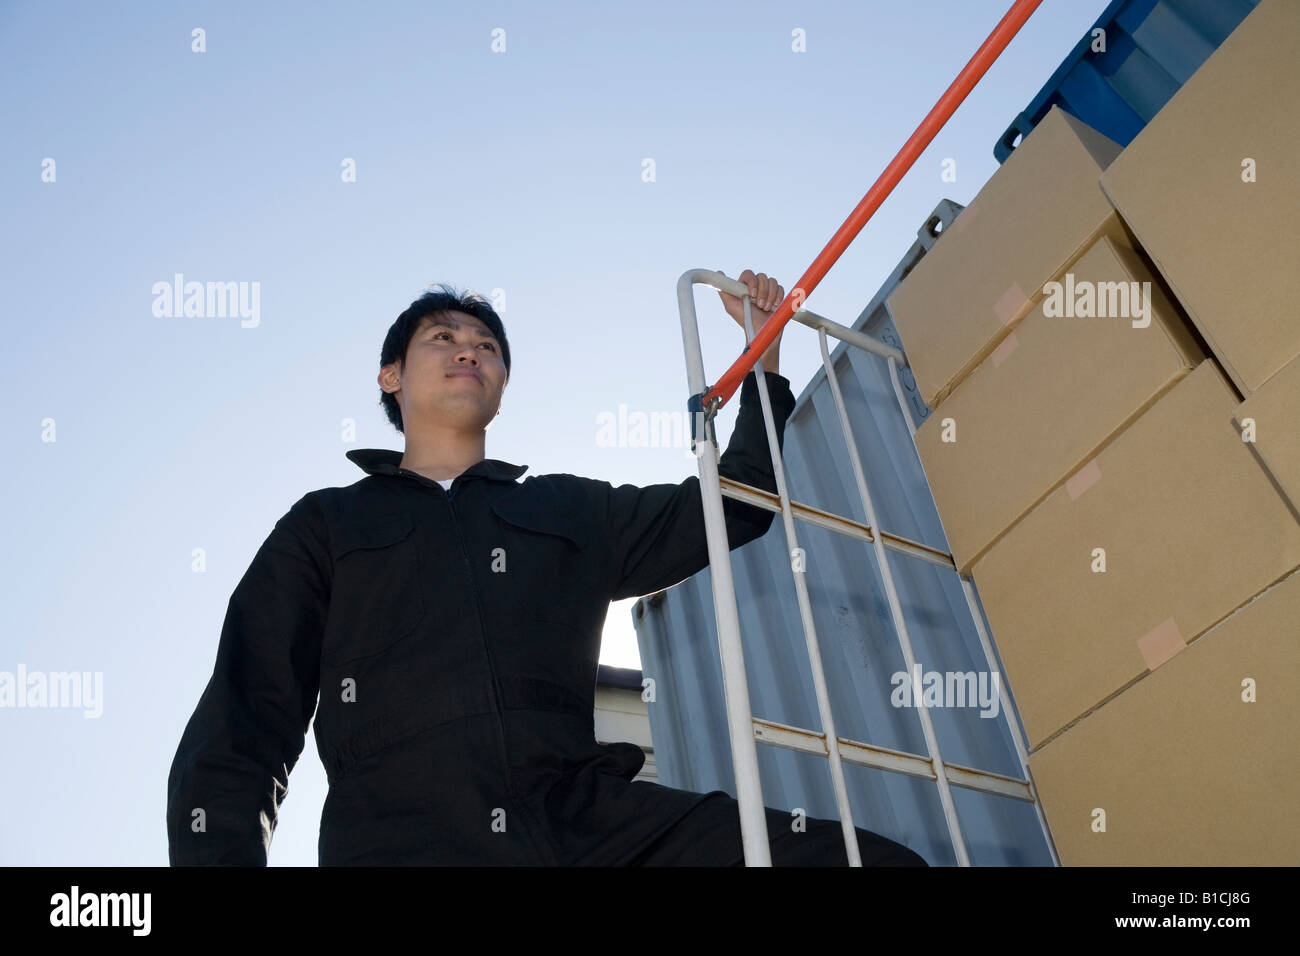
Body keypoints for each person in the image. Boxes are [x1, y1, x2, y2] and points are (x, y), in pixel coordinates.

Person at [166, 270, 928, 866]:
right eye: (442, 337)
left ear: (500, 385)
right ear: (389, 378)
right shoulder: (325, 526)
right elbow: (243, 727)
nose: (469, 349)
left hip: (590, 828)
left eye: (488, 345)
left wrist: (761, 362)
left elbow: (735, 507)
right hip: (402, 842)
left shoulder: (565, 511)